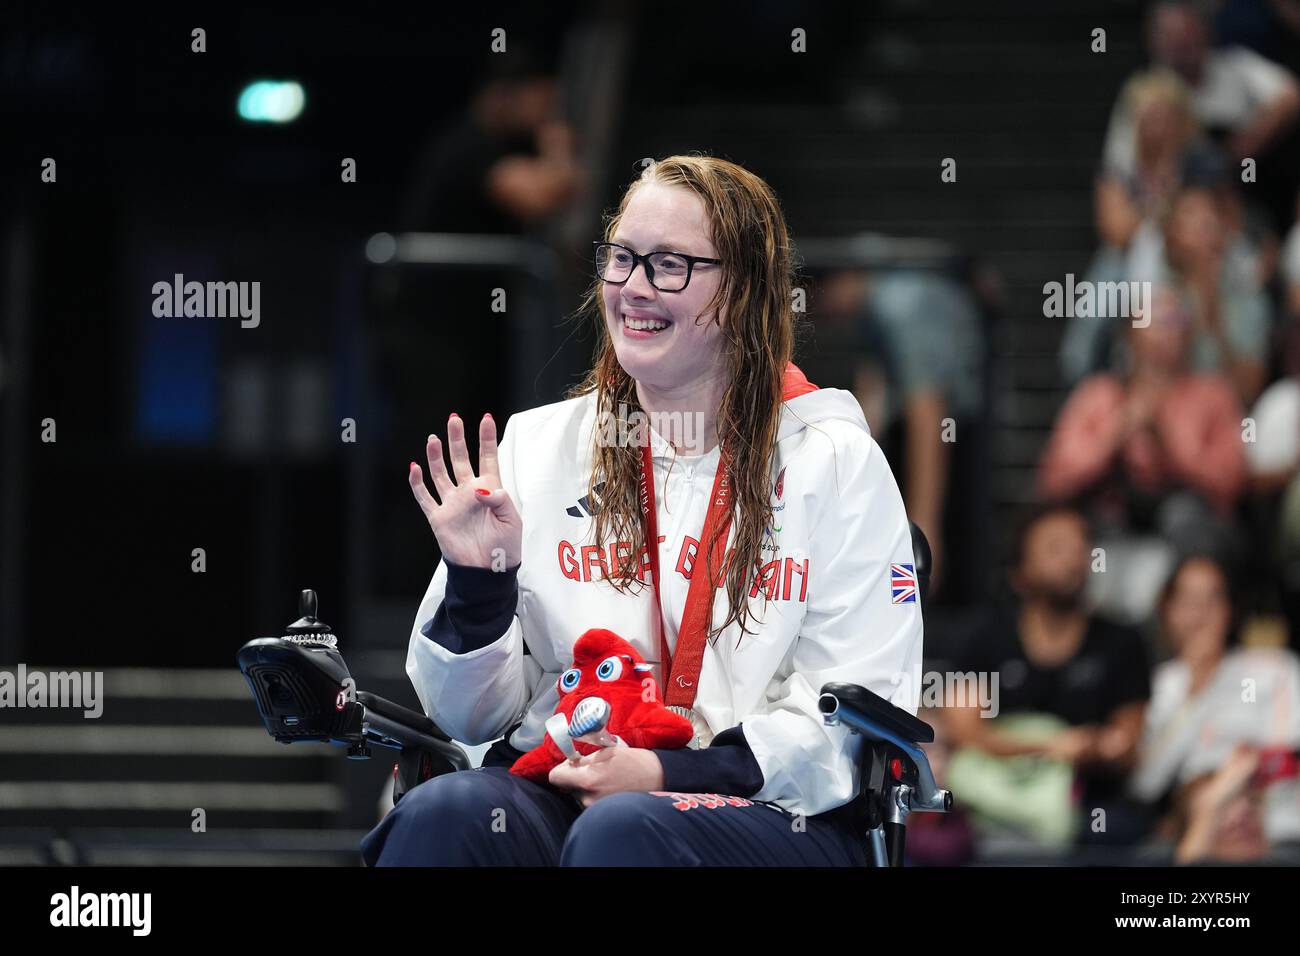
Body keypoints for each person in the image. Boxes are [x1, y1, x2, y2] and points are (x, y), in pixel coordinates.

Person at [360, 155, 924, 866]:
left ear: (744, 290)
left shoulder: (833, 461)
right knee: (445, 812)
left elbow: (853, 718)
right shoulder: (538, 445)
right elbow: (467, 716)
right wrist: (479, 588)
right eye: (621, 257)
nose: (632, 287)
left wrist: (665, 774)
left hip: (774, 812)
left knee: (624, 830)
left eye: (669, 265)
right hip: (568, 784)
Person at [943, 504, 1152, 847]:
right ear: (1019, 572)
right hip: (992, 799)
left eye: (1080, 546)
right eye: (1055, 547)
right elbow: (963, 732)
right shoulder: (984, 639)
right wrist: (1049, 746)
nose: (1073, 559)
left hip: (1087, 806)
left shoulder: (1121, 642)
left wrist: (1094, 749)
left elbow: (1126, 745)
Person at [1130, 555, 1300, 852]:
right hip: (1192, 827)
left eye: (1213, 599)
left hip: (1273, 824)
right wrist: (1195, 693)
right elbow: (1147, 784)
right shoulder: (1163, 684)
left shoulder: (1272, 669)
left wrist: (1240, 781)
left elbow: (1288, 751)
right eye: (1188, 601)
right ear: (1167, 611)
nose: (1200, 614)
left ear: (1229, 611)